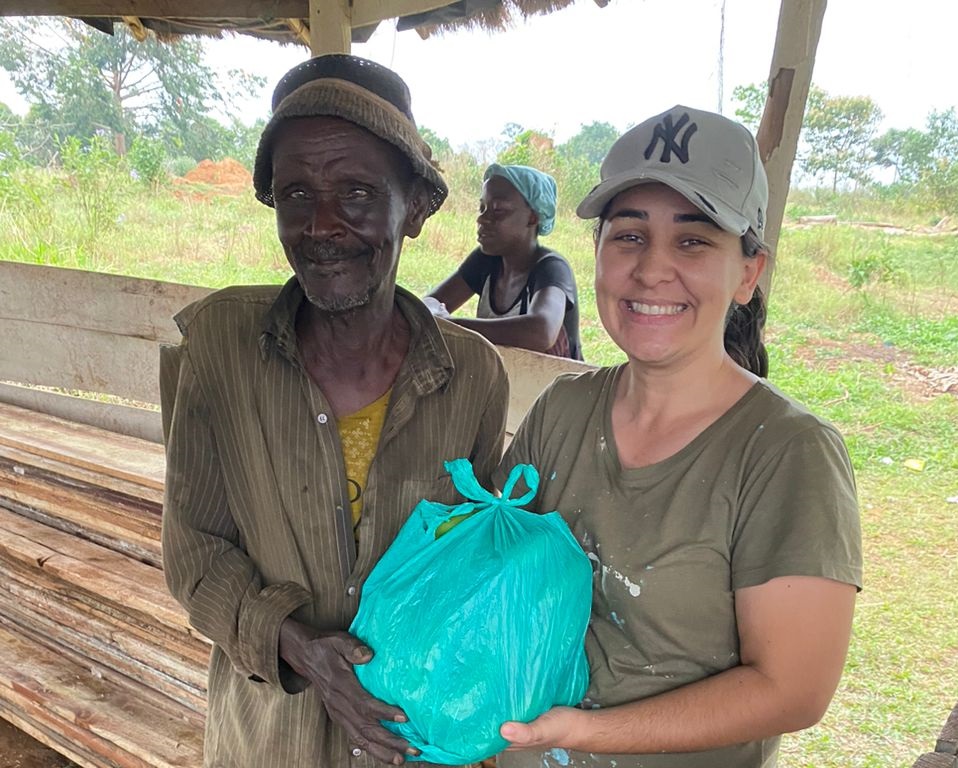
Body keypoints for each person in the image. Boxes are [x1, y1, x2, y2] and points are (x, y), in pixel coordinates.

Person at [160, 54, 509, 768]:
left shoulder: (471, 376)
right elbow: (195, 554)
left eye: (355, 192)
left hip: (411, 741)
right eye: (295, 194)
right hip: (267, 741)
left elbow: (473, 569)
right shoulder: (221, 346)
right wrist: (302, 651)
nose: (320, 225)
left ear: (413, 207)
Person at [492, 105, 862, 768]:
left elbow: (793, 690)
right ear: (599, 256)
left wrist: (581, 732)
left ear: (748, 274)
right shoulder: (562, 412)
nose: (653, 269)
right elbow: (495, 573)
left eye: (693, 241)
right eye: (629, 236)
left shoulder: (787, 453)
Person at [427, 164, 583, 360]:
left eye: (498, 210)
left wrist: (450, 325)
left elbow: (542, 332)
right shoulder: (486, 261)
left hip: (557, 387)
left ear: (532, 217)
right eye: (482, 208)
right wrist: (435, 315)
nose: (482, 219)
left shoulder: (551, 268)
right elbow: (431, 303)